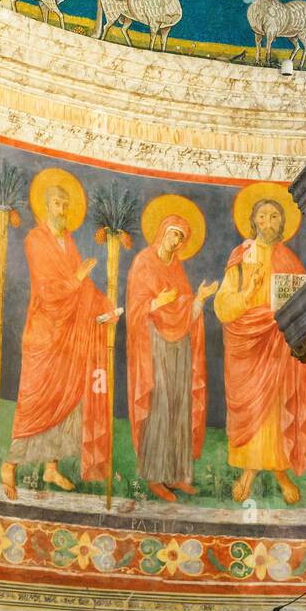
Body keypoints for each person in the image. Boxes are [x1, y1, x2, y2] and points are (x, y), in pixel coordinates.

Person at [2, 171, 120, 499]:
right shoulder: (36, 240)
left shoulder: (67, 241)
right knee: (35, 400)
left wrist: (104, 306)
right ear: (45, 206)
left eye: (66, 204)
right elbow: (48, 288)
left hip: (69, 332)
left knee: (68, 400)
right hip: (44, 331)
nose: (63, 208)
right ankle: (10, 464)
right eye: (58, 202)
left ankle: (51, 467)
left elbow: (83, 289)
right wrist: (78, 276)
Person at [215, 186, 306, 505]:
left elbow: (301, 300)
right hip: (247, 340)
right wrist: (247, 296)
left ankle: (280, 471)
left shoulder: (288, 258)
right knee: (253, 408)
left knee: (276, 405)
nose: (267, 222)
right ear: (252, 221)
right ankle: (249, 470)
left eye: (274, 216)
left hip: (278, 339)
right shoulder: (241, 256)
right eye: (262, 216)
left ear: (281, 223)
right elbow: (224, 303)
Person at [126, 204, 217, 501]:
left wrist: (199, 299)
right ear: (161, 232)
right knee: (160, 405)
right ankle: (154, 475)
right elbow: (136, 309)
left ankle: (176, 474)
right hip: (153, 344)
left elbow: (184, 308)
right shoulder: (144, 262)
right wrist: (156, 303)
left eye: (180, 238)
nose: (175, 241)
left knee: (179, 405)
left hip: (179, 347)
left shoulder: (177, 266)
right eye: (172, 234)